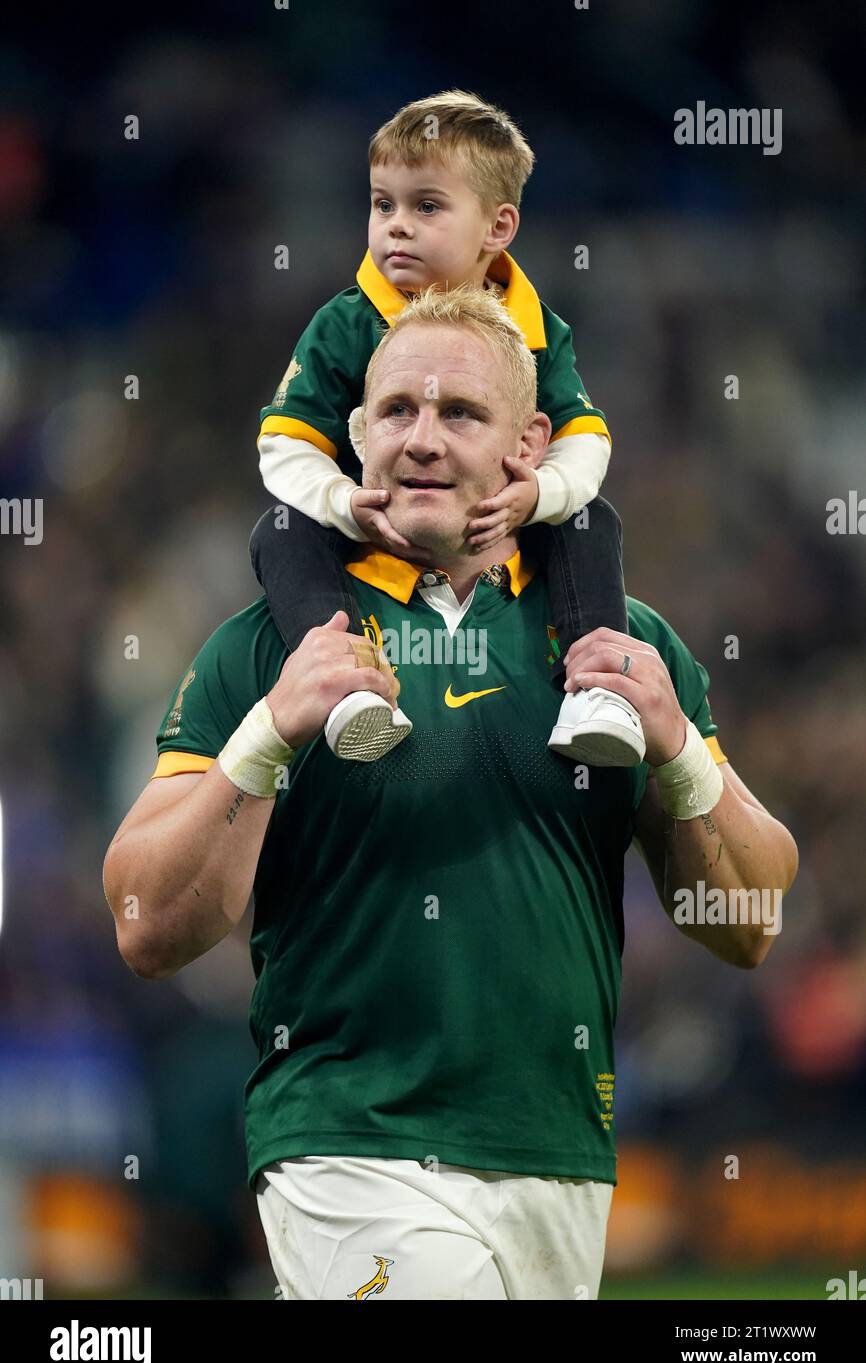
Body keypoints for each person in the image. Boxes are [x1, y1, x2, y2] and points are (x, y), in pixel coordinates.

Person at [104, 286, 798, 1300]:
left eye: (459, 414)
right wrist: (265, 734)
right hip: (349, 1140)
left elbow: (751, 918)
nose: (421, 439)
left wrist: (678, 747)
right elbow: (141, 920)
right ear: (354, 433)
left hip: (559, 1157)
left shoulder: (619, 647)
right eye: (396, 412)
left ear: (529, 446)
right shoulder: (268, 646)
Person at [250, 89, 644, 767]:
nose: (395, 227)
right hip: (370, 531)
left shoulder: (537, 328)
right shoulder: (344, 323)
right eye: (382, 204)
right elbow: (284, 443)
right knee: (280, 531)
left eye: (425, 206)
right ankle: (346, 686)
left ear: (498, 227)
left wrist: (541, 495)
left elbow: (584, 438)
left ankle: (598, 687)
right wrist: (341, 502)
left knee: (590, 519)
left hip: (491, 526)